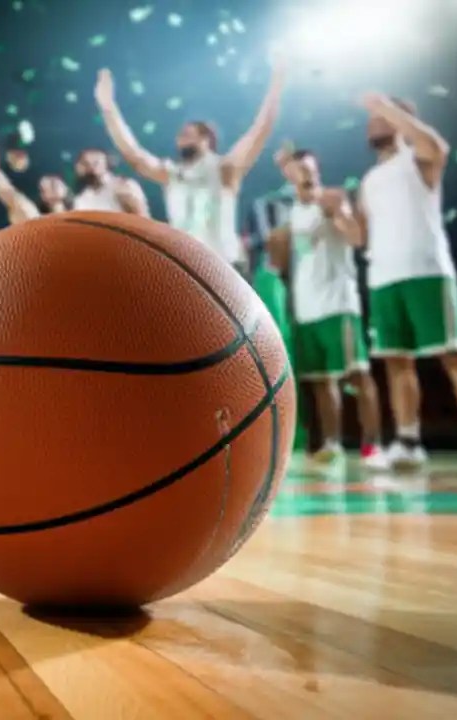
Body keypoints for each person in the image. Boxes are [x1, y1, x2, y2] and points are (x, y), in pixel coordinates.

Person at [356, 94, 457, 472]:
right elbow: (360, 235)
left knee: (453, 354)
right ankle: (407, 441)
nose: (373, 122)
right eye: (371, 117)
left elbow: (438, 145)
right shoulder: (369, 180)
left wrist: (387, 107)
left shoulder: (418, 158)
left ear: (402, 118)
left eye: (380, 117)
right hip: (383, 277)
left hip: (427, 270)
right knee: (396, 362)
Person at [94, 62, 284, 273]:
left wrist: (277, 82)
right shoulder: (171, 174)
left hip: (225, 267)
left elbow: (260, 129)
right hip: (185, 267)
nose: (181, 136)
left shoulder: (225, 168)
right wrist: (108, 106)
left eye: (189, 132)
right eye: (180, 133)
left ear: (207, 139)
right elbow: (135, 155)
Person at [268, 148, 388, 469]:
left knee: (358, 375)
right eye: (295, 169)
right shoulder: (290, 214)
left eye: (306, 167)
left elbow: (356, 238)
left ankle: (371, 445)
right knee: (322, 381)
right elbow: (280, 265)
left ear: (316, 169)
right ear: (287, 176)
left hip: (339, 302)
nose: (302, 173)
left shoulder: (333, 198)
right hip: (307, 307)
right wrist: (275, 246)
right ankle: (333, 442)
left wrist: (337, 212)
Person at [70, 148, 150, 216]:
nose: (90, 167)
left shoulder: (123, 186)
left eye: (95, 162)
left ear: (106, 164)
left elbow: (144, 223)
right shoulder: (80, 199)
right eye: (84, 163)